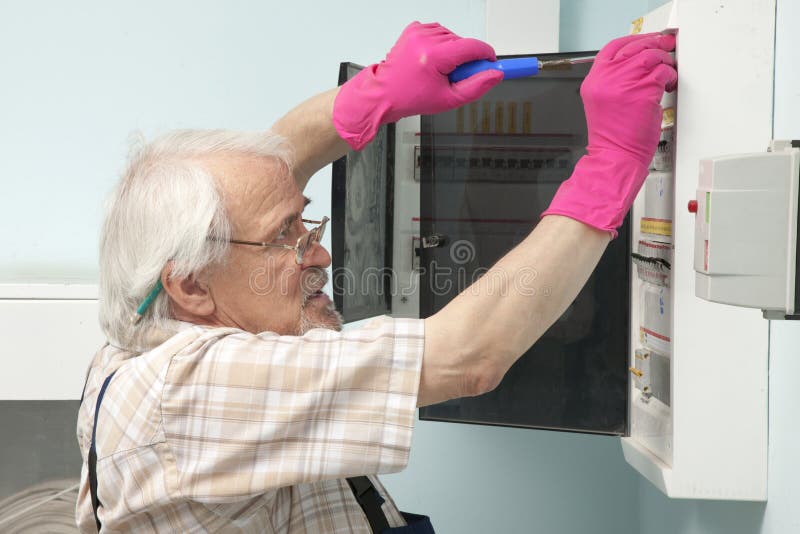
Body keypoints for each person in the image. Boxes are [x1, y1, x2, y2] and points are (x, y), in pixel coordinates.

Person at [76, 21, 676, 533]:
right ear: (192, 286)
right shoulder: (185, 394)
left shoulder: (145, 332)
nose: (318, 256)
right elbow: (468, 355)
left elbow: (261, 183)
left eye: (304, 227)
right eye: (287, 236)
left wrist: (372, 94)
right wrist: (611, 165)